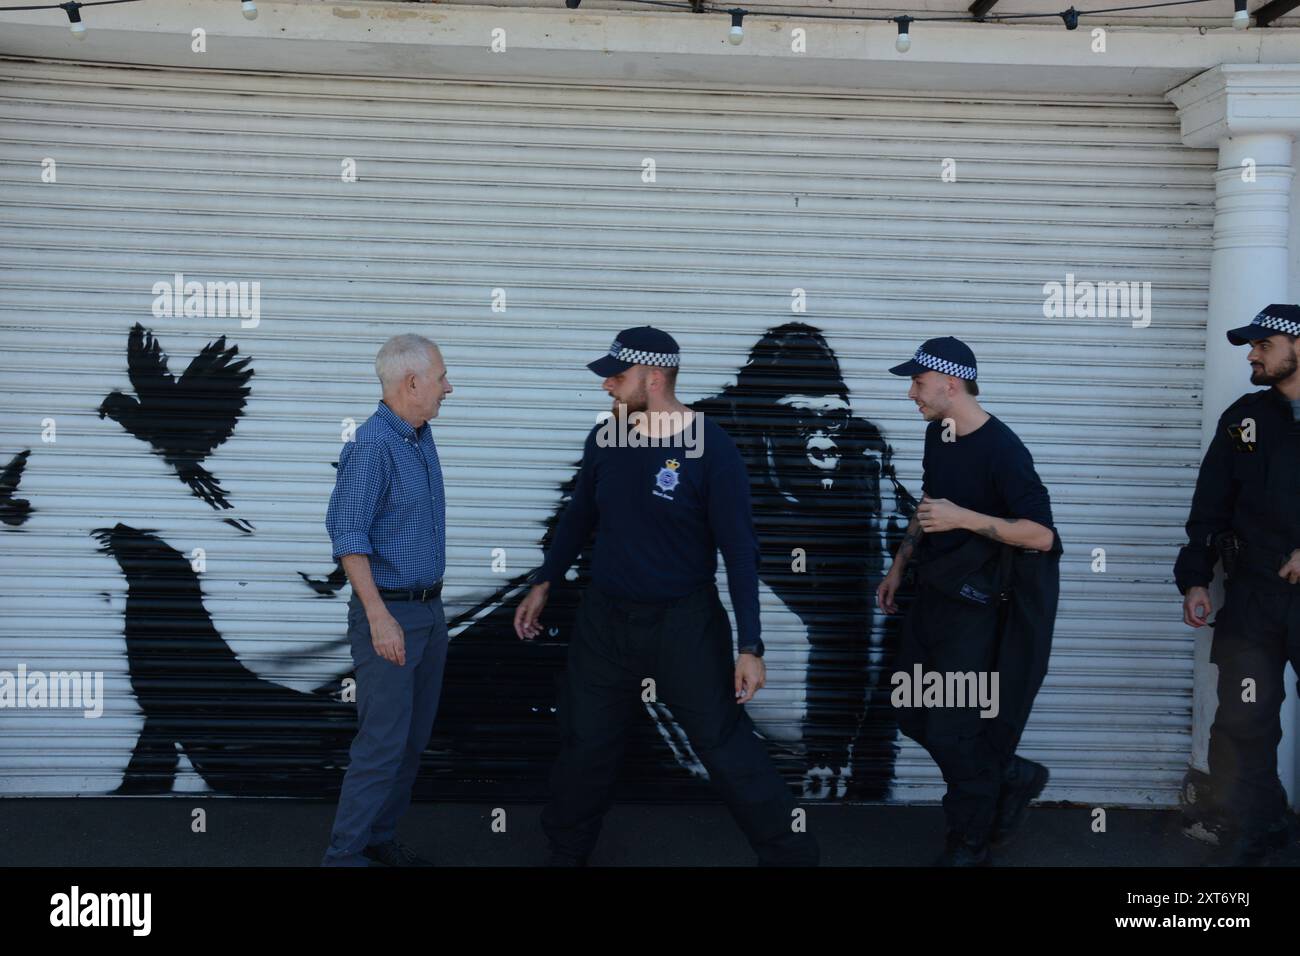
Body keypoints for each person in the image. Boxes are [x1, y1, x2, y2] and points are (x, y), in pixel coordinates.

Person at [514, 325, 819, 866]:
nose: (607, 384)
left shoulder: (712, 448)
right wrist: (545, 581)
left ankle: (790, 856)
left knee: (726, 747)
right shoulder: (606, 439)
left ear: (653, 379)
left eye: (617, 375)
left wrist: (751, 645)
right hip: (605, 621)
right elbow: (578, 516)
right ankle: (566, 853)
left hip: (684, 623)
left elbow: (740, 550)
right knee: (587, 743)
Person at [877, 336, 1058, 866]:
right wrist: (898, 567)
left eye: (917, 382)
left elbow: (1042, 535)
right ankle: (1009, 774)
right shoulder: (941, 433)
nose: (911, 393)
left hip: (977, 612)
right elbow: (931, 503)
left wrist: (967, 520)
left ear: (950, 383)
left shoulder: (1004, 450)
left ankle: (969, 841)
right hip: (933, 593)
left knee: (954, 727)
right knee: (910, 709)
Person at [321, 334, 453, 867]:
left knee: (411, 741)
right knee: (381, 745)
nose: (450, 387)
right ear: (412, 383)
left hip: (428, 611)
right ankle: (344, 856)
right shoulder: (373, 446)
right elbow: (347, 536)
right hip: (392, 613)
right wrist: (379, 617)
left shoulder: (419, 438)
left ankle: (378, 837)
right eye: (442, 377)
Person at [1176, 304, 1300, 866]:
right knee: (1244, 715)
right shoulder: (1244, 419)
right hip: (1251, 593)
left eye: (1262, 345)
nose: (1251, 354)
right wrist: (1196, 579)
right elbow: (1210, 505)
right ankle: (1259, 826)